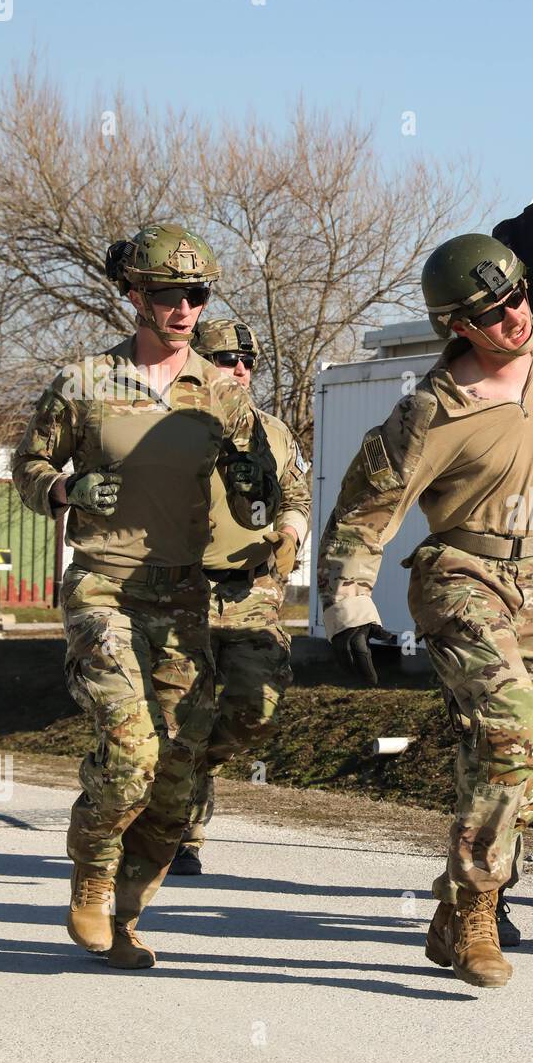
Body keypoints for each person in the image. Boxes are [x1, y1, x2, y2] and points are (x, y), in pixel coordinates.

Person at [318, 233, 533, 988]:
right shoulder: (427, 414)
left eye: (517, 297)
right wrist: (349, 607)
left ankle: (450, 909)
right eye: (492, 312)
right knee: (508, 732)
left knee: (515, 756)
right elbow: (362, 515)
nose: (515, 317)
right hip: (460, 574)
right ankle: (479, 910)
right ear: (458, 327)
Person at [12, 224, 279, 969]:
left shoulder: (223, 393)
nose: (187, 308)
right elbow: (27, 463)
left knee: (178, 771)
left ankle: (129, 910)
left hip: (184, 594)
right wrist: (63, 486)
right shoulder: (85, 382)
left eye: (198, 295)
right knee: (132, 751)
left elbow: (253, 488)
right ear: (135, 296)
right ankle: (92, 876)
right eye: (170, 295)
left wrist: (258, 495)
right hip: (104, 584)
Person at [169, 318, 311, 875]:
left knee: (258, 708)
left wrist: (291, 534)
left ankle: (193, 772)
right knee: (182, 716)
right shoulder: (169, 428)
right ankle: (183, 834)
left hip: (253, 591)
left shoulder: (273, 432)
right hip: (180, 589)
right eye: (228, 359)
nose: (242, 369)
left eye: (249, 360)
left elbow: (296, 496)